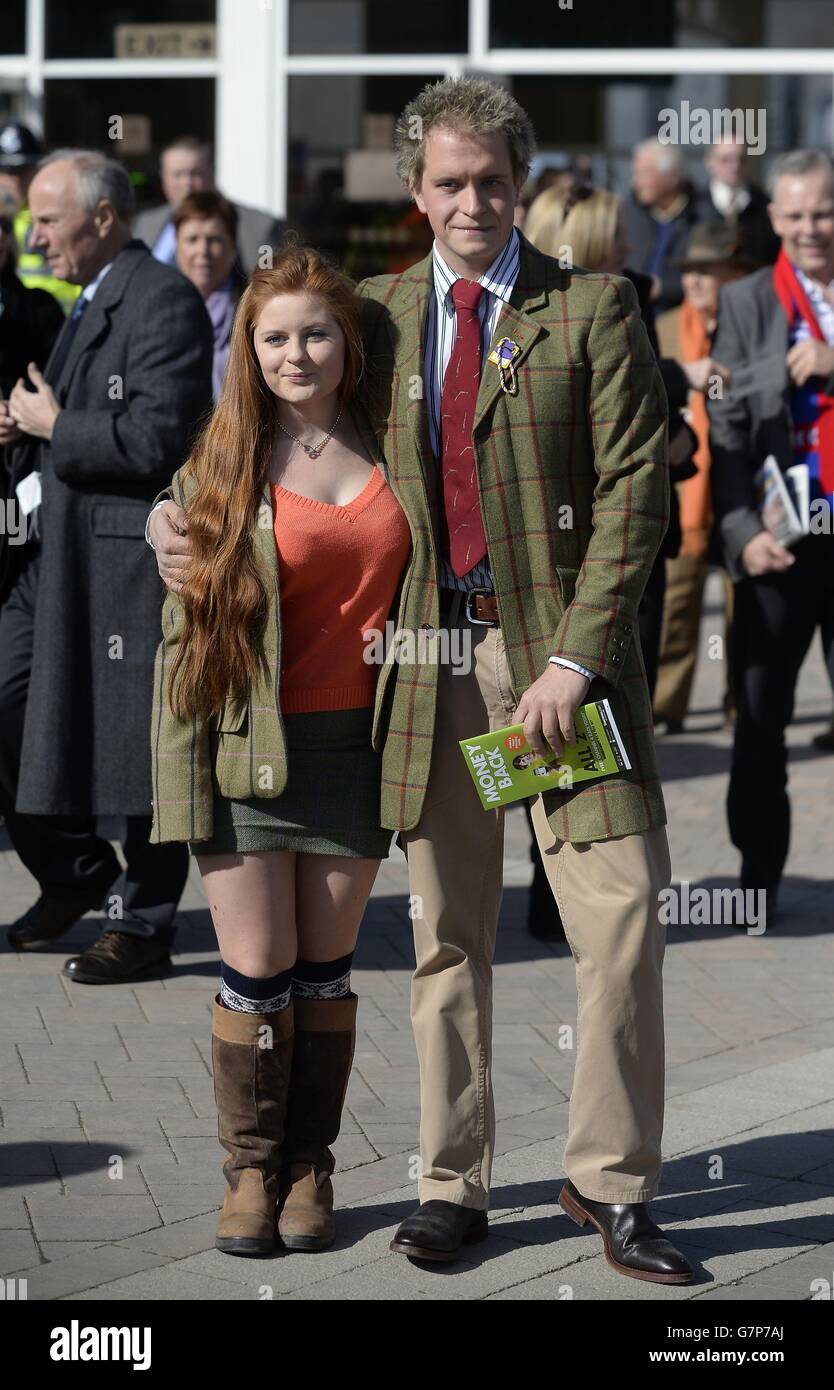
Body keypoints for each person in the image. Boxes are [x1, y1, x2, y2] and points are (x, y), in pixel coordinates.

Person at [150, 77, 692, 1284]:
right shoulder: (382, 313)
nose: (473, 201)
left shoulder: (592, 307)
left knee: (624, 917)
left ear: (523, 183)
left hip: (559, 674)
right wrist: (164, 515)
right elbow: (262, 422)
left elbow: (635, 499)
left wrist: (572, 656)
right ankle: (451, 1180)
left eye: (493, 180)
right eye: (449, 182)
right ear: (415, 191)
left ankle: (611, 1185)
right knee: (447, 930)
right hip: (429, 663)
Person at [149, 245, 413, 1256]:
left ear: (348, 340)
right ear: (247, 350)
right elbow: (169, 534)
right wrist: (153, 527)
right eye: (274, 337)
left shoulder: (398, 443)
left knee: (327, 968)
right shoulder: (227, 456)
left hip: (363, 743)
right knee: (257, 965)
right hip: (247, 741)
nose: (296, 354)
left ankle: (312, 1164)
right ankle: (250, 1173)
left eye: (314, 333)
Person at [0, 149, 213, 981]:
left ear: (101, 217)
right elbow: (81, 414)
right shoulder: (91, 297)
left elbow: (162, 436)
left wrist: (58, 427)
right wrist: (29, 425)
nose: (36, 235)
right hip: (55, 561)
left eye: (49, 220)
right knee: (11, 703)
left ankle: (145, 924)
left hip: (122, 561)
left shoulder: (160, 298)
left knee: (137, 753)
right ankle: (77, 872)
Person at [709, 149, 834, 923]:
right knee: (760, 719)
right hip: (781, 541)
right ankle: (757, 879)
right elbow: (722, 416)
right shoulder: (751, 298)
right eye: (793, 215)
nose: (809, 228)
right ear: (774, 217)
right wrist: (742, 532)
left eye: (822, 212)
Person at [654, 222, 751, 734]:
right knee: (678, 599)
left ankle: (744, 701)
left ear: (733, 275)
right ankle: (667, 703)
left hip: (744, 484)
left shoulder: (753, 325)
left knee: (746, 606)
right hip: (688, 489)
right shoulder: (667, 326)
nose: (694, 281)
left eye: (706, 271)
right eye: (688, 271)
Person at [134, 135, 284, 275]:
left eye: (195, 174)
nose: (187, 183)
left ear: (212, 172)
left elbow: (270, 288)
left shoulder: (259, 227)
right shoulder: (145, 223)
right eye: (177, 174)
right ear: (163, 178)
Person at [173, 190, 248, 401]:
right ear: (177, 246)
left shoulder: (253, 309)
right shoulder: (157, 313)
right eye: (192, 239)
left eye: (214, 239)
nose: (202, 250)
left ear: (232, 246)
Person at [0, 119, 81, 314]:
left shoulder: (55, 213)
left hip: (60, 319)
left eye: (22, 170)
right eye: (6, 170)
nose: (15, 180)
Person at [0, 185, 65, 399]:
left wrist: (16, 414)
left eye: (5, 225)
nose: (0, 234)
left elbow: (61, 384)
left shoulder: (41, 307)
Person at [622, 139, 699, 314]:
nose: (635, 183)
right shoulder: (628, 215)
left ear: (671, 177)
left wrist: (662, 287)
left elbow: (713, 277)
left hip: (681, 323)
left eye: (644, 174)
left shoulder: (701, 217)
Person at [695, 137, 780, 270]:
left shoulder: (764, 205)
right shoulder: (694, 205)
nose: (735, 166)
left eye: (741, 159)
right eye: (725, 160)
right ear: (709, 161)